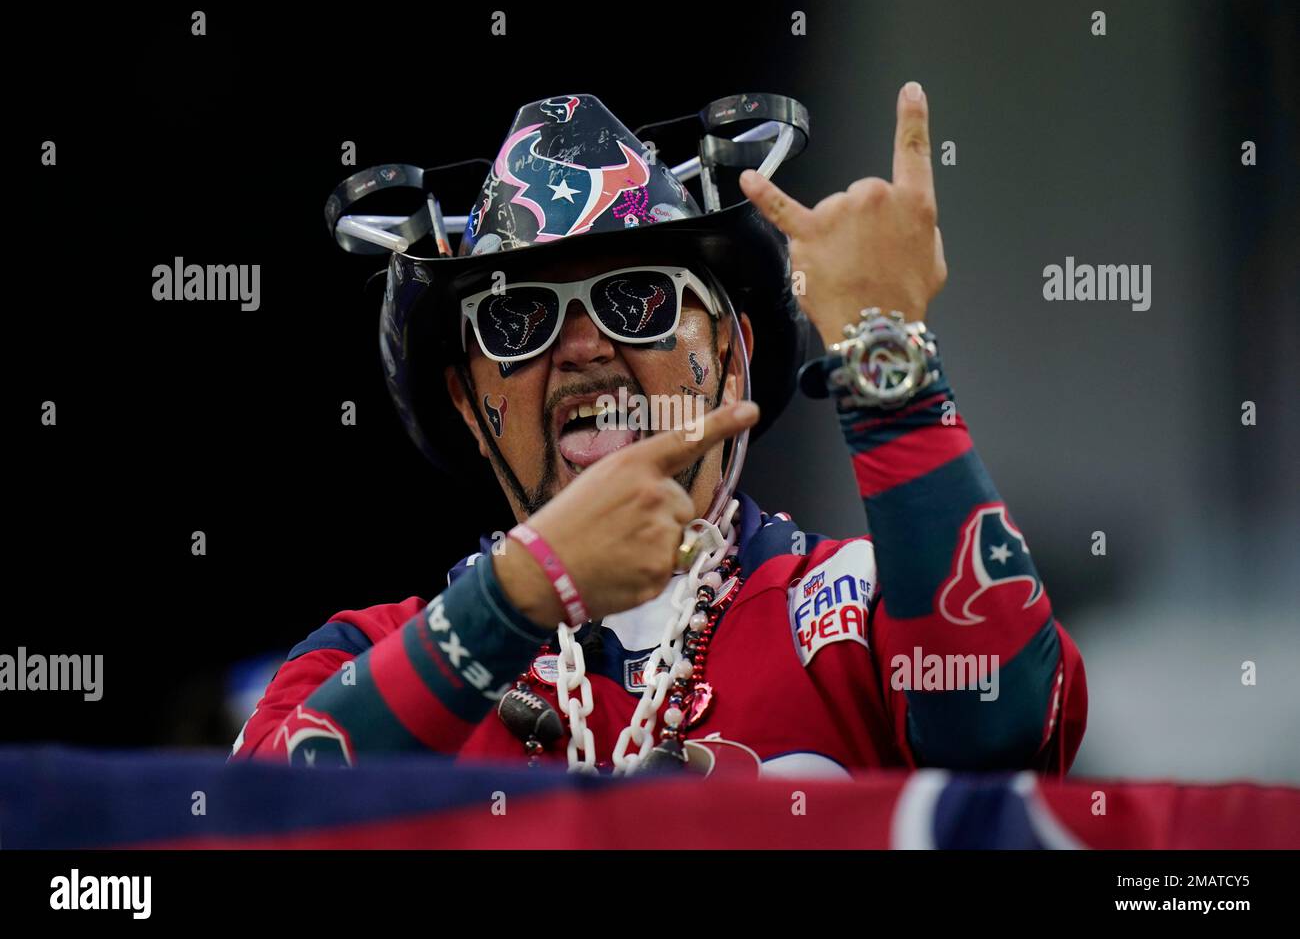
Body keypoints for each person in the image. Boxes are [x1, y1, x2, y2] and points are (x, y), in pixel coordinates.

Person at [231, 87, 1087, 778]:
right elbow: (253, 824)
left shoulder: (865, 603)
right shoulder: (363, 654)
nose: (582, 348)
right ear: (466, 400)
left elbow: (1010, 732)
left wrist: (887, 358)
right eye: (519, 317)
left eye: (634, 299)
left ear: (729, 348)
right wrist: (521, 596)